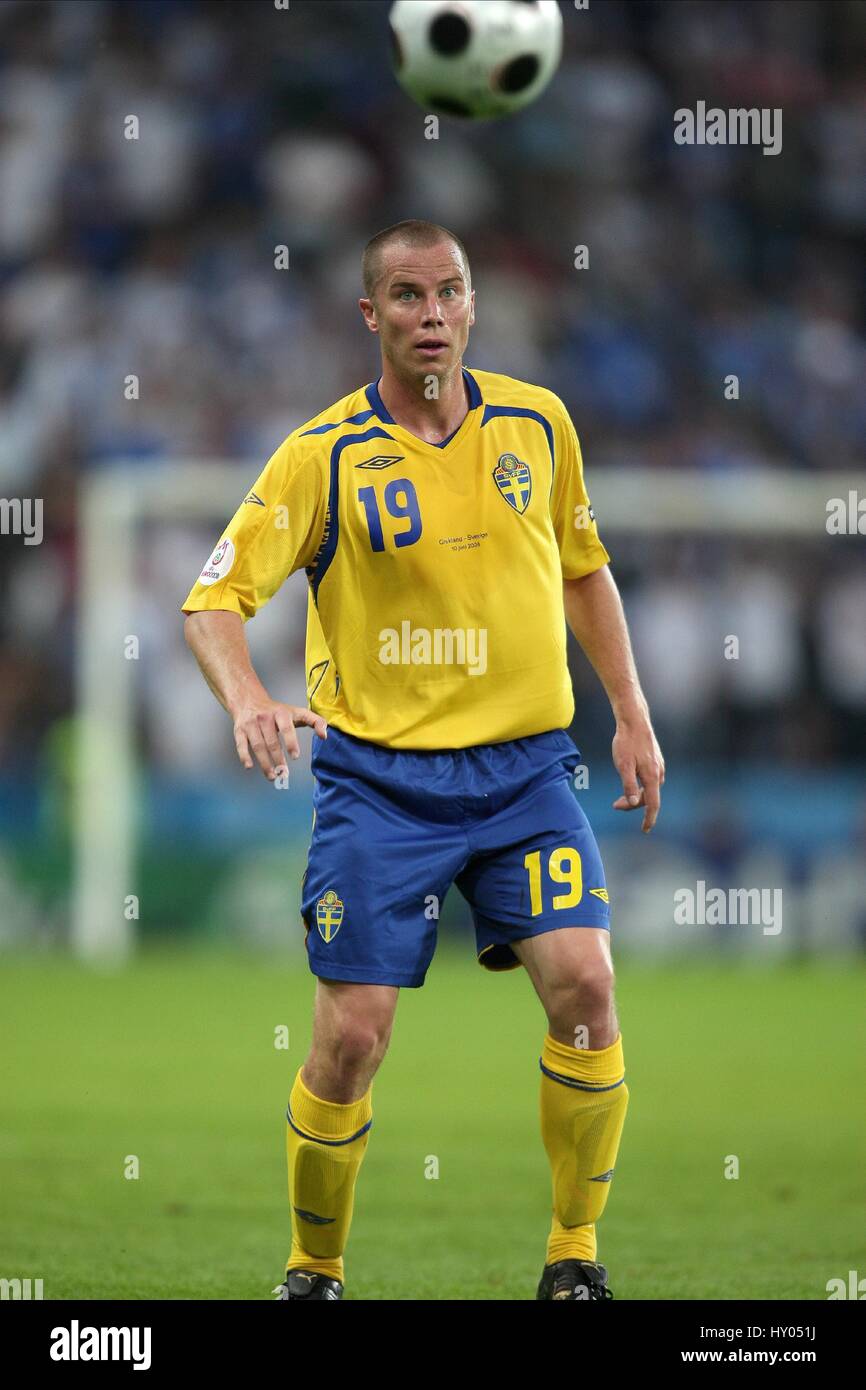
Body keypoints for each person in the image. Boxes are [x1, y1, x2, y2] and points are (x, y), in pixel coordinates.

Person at [182, 219, 665, 1302]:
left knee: (586, 986)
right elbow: (212, 601)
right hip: (382, 786)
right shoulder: (322, 455)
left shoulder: (537, 424)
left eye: (448, 291)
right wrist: (250, 695)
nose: (431, 313)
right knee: (352, 1038)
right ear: (371, 316)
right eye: (406, 295)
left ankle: (573, 1259)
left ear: (473, 304)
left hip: (527, 774)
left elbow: (584, 571)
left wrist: (629, 713)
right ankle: (313, 1269)